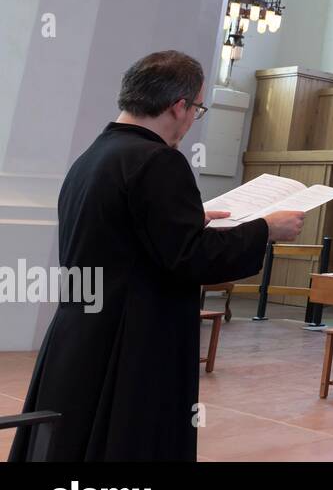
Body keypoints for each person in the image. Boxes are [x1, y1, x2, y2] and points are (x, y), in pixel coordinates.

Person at [8, 50, 305, 462]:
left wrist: (188, 219)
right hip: (133, 339)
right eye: (197, 108)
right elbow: (191, 259)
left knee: (73, 442)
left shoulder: (93, 157)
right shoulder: (158, 160)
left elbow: (120, 233)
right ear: (178, 105)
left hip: (81, 330)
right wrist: (264, 230)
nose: (191, 119)